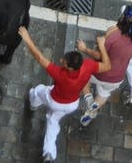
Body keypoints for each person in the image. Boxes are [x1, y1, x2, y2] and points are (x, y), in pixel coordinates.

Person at [18, 25, 111, 163]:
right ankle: (49, 153)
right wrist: (102, 46)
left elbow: (40, 58)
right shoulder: (88, 66)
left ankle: (33, 104)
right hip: (71, 105)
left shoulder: (60, 74)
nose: (61, 61)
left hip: (53, 99)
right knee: (53, 121)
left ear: (70, 68)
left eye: (64, 62)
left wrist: (27, 38)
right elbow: (107, 66)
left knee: (38, 91)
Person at [79, 6, 132, 126]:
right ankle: (91, 113)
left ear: (122, 17)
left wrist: (85, 49)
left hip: (100, 72)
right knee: (103, 93)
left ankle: (88, 98)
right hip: (117, 78)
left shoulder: (113, 33)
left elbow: (99, 55)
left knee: (83, 74)